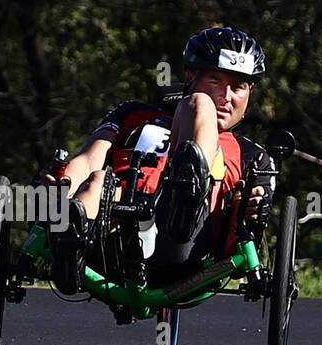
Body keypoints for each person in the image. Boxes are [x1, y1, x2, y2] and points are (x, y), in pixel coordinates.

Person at [44, 26, 274, 293]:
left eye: (238, 87)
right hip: (112, 226)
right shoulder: (133, 114)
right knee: (98, 179)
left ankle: (187, 199)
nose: (225, 96)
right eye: (214, 81)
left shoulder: (252, 156)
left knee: (198, 105)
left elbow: (236, 245)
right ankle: (68, 249)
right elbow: (89, 158)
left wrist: (246, 211)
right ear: (190, 75)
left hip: (184, 241)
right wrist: (65, 188)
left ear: (250, 92)